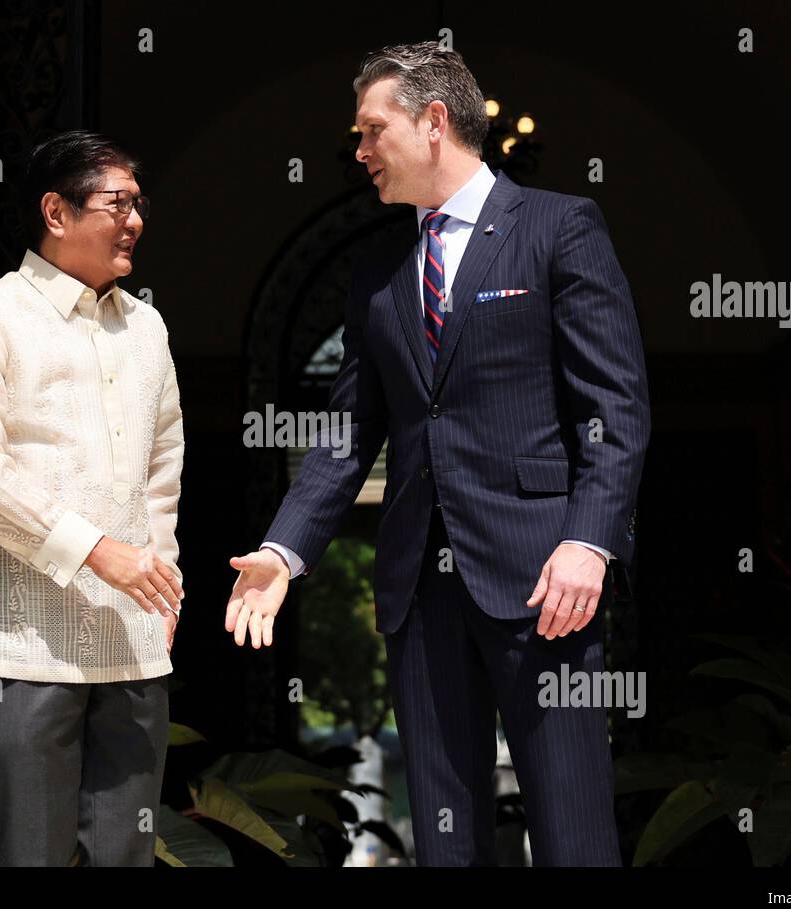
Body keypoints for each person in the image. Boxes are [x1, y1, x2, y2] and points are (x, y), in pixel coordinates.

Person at [225, 42, 650, 866]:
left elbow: (618, 408)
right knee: (445, 842)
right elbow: (351, 432)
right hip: (420, 585)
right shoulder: (380, 267)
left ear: (432, 122)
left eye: (370, 129)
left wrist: (588, 541)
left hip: (544, 580)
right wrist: (285, 549)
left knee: (573, 833)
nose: (358, 151)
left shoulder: (560, 228)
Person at [0, 131, 185, 866]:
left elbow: (162, 471)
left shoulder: (148, 329)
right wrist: (97, 552)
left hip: (134, 643)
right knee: (27, 856)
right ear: (56, 211)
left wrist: (163, 579)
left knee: (123, 857)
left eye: (139, 204)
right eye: (118, 203)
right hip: (24, 640)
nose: (135, 220)